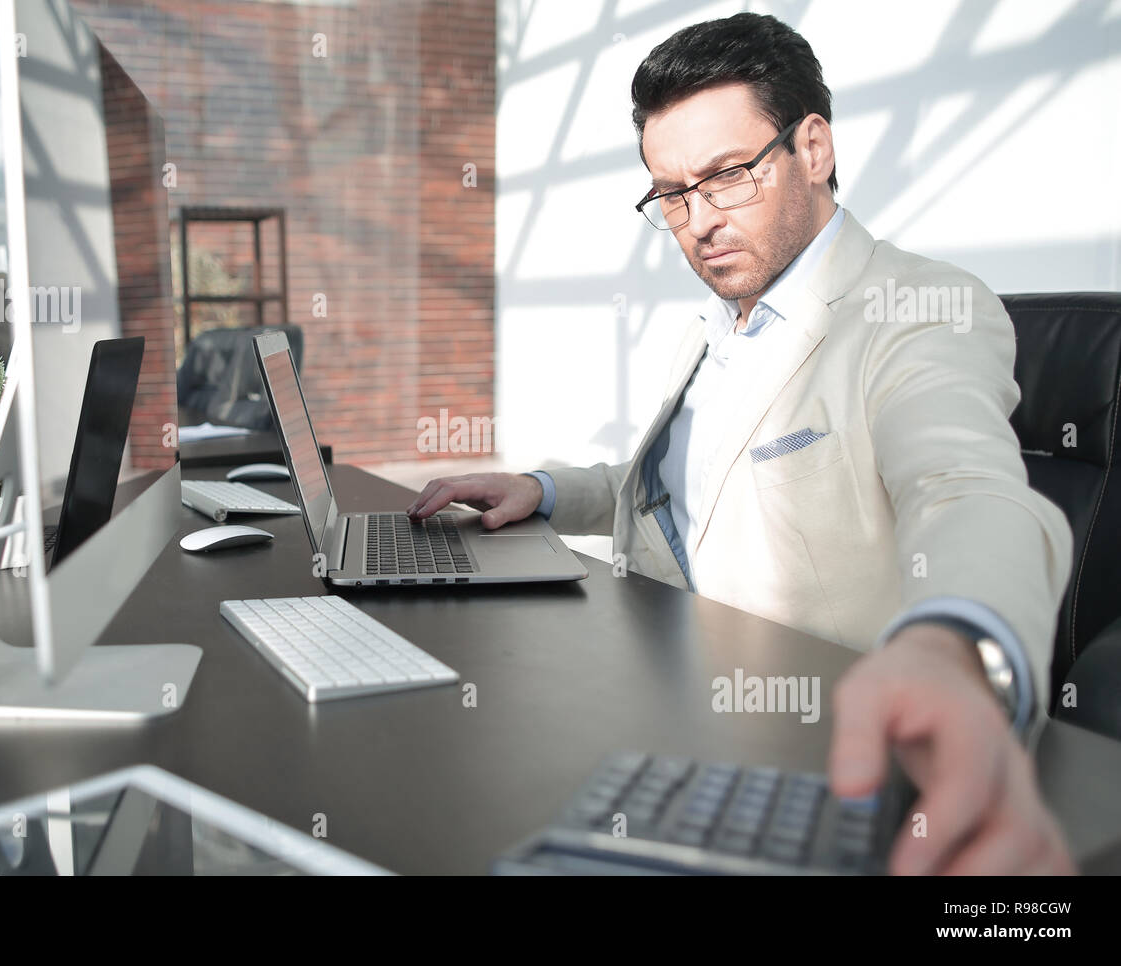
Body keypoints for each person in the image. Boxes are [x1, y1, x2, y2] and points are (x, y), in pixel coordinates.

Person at [408, 12, 1075, 874]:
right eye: (672, 194)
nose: (697, 221)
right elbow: (682, 491)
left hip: (810, 745)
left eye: (726, 176)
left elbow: (966, 488)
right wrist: (542, 486)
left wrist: (951, 641)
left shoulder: (919, 309)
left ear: (814, 149)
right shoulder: (722, 325)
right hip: (657, 699)